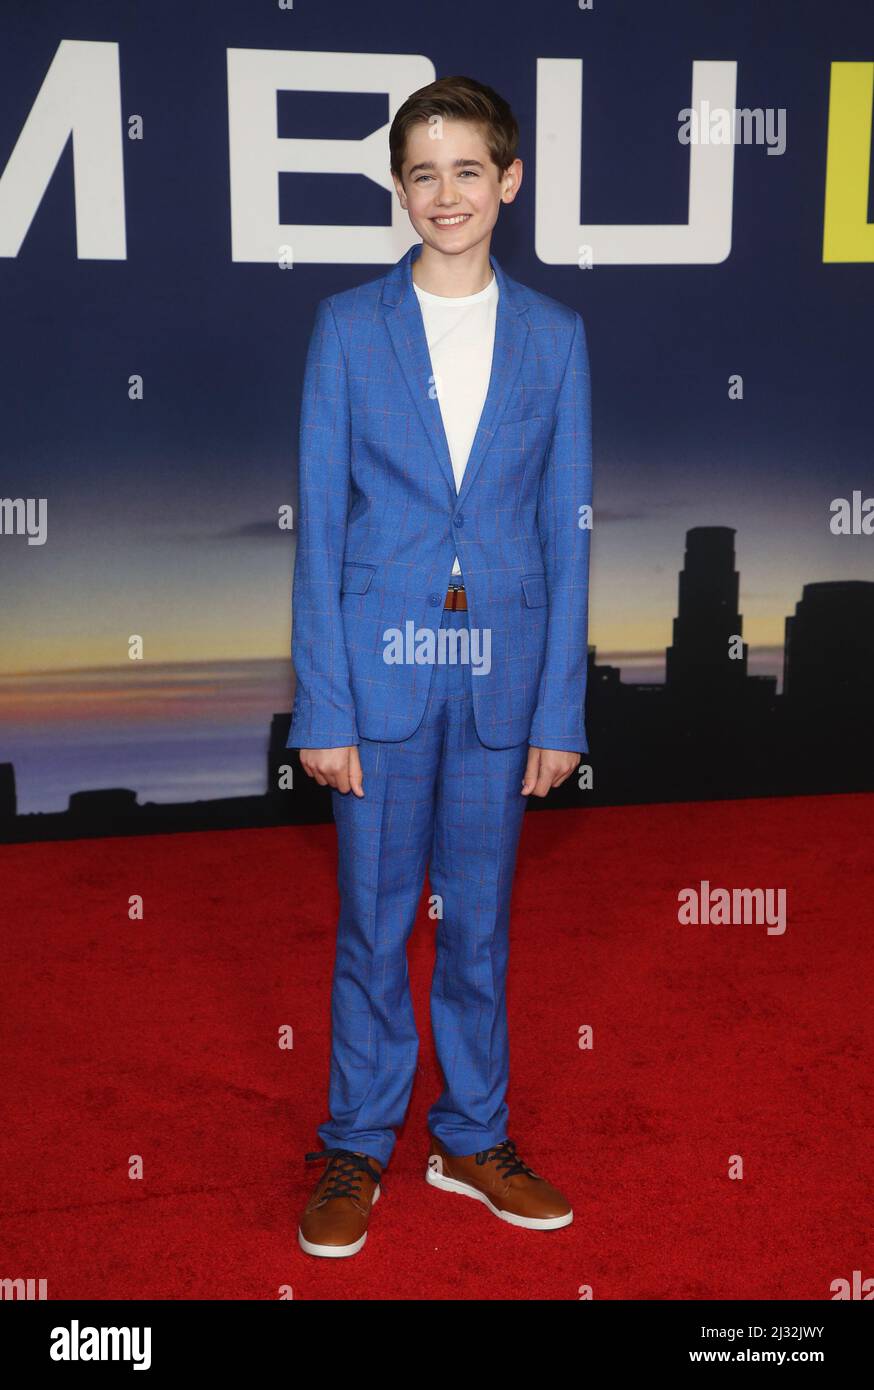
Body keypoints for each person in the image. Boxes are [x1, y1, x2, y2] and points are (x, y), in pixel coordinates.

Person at [287, 75, 593, 1258]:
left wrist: (559, 708)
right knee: (373, 927)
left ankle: (471, 1136)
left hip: (503, 684)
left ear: (508, 181)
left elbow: (566, 530)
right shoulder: (348, 329)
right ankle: (357, 1144)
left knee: (477, 926)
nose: (447, 192)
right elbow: (321, 528)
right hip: (377, 678)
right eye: (424, 172)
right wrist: (324, 702)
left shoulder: (557, 339)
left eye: (470, 169)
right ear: (399, 189)